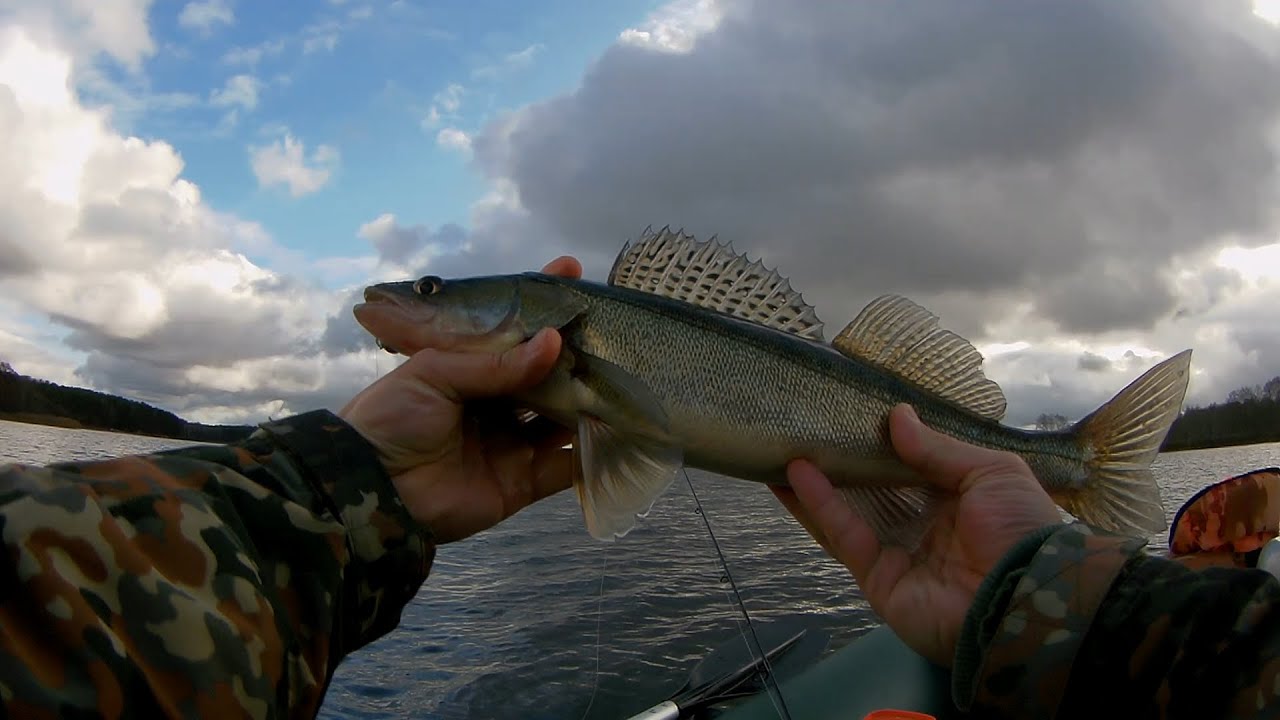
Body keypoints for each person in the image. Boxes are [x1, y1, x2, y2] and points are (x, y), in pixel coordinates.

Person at [0, 257, 1275, 719]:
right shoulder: (565, 371)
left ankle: (1087, 465)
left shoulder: (581, 334)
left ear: (531, 312)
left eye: (439, 290)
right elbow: (625, 452)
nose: (414, 306)